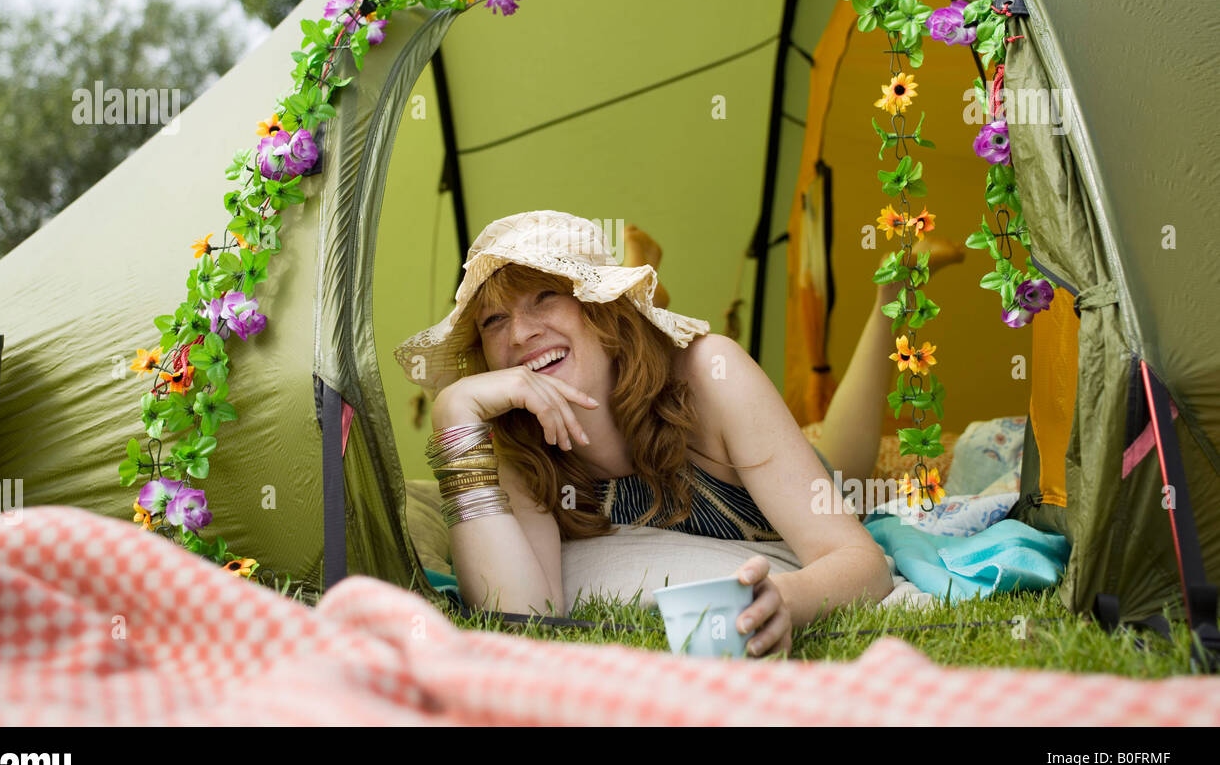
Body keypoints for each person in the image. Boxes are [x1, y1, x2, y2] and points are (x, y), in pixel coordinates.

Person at [394, 210, 961, 658]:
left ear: (599, 306)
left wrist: (792, 597)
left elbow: (859, 562)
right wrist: (455, 415)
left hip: (765, 475)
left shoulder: (712, 376)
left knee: (843, 461)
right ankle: (640, 275)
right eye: (494, 321)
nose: (519, 332)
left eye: (547, 295)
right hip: (627, 359)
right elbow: (521, 625)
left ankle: (892, 294)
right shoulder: (521, 440)